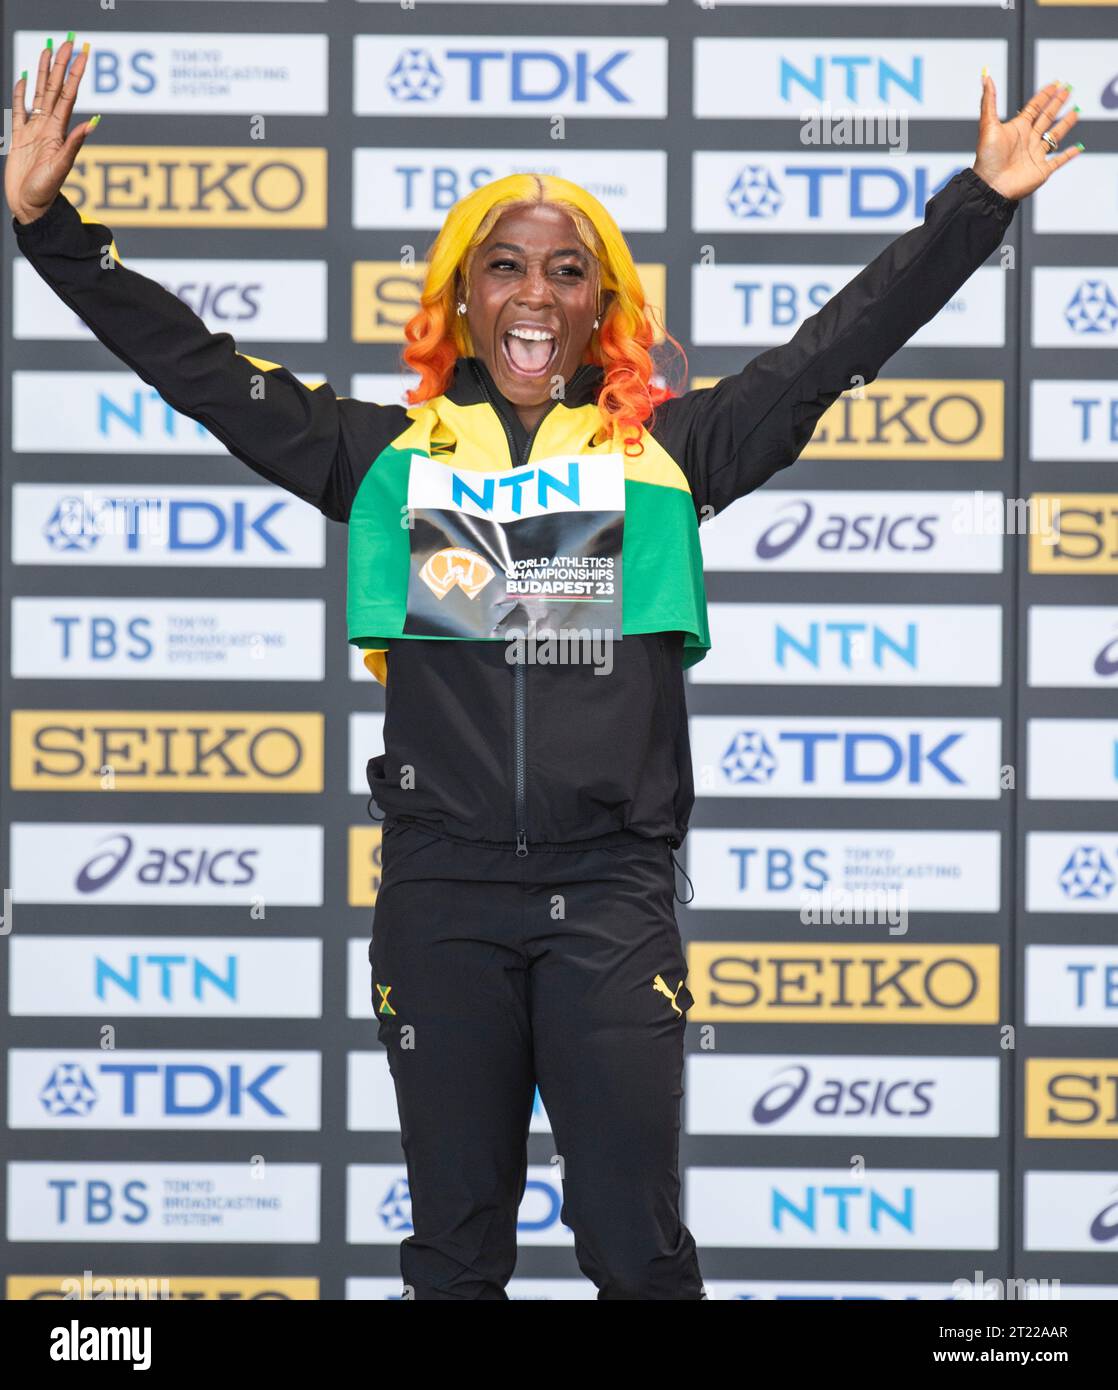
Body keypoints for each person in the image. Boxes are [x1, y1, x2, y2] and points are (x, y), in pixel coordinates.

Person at [8, 38, 1081, 1300]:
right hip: (439, 893)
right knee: (454, 1258)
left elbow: (837, 345)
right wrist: (46, 229)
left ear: (602, 306)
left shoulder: (673, 455)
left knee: (635, 1251)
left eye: (565, 272)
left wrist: (979, 204)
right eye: (503, 267)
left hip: (610, 900)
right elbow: (199, 374)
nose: (533, 292)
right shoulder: (388, 464)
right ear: (462, 298)